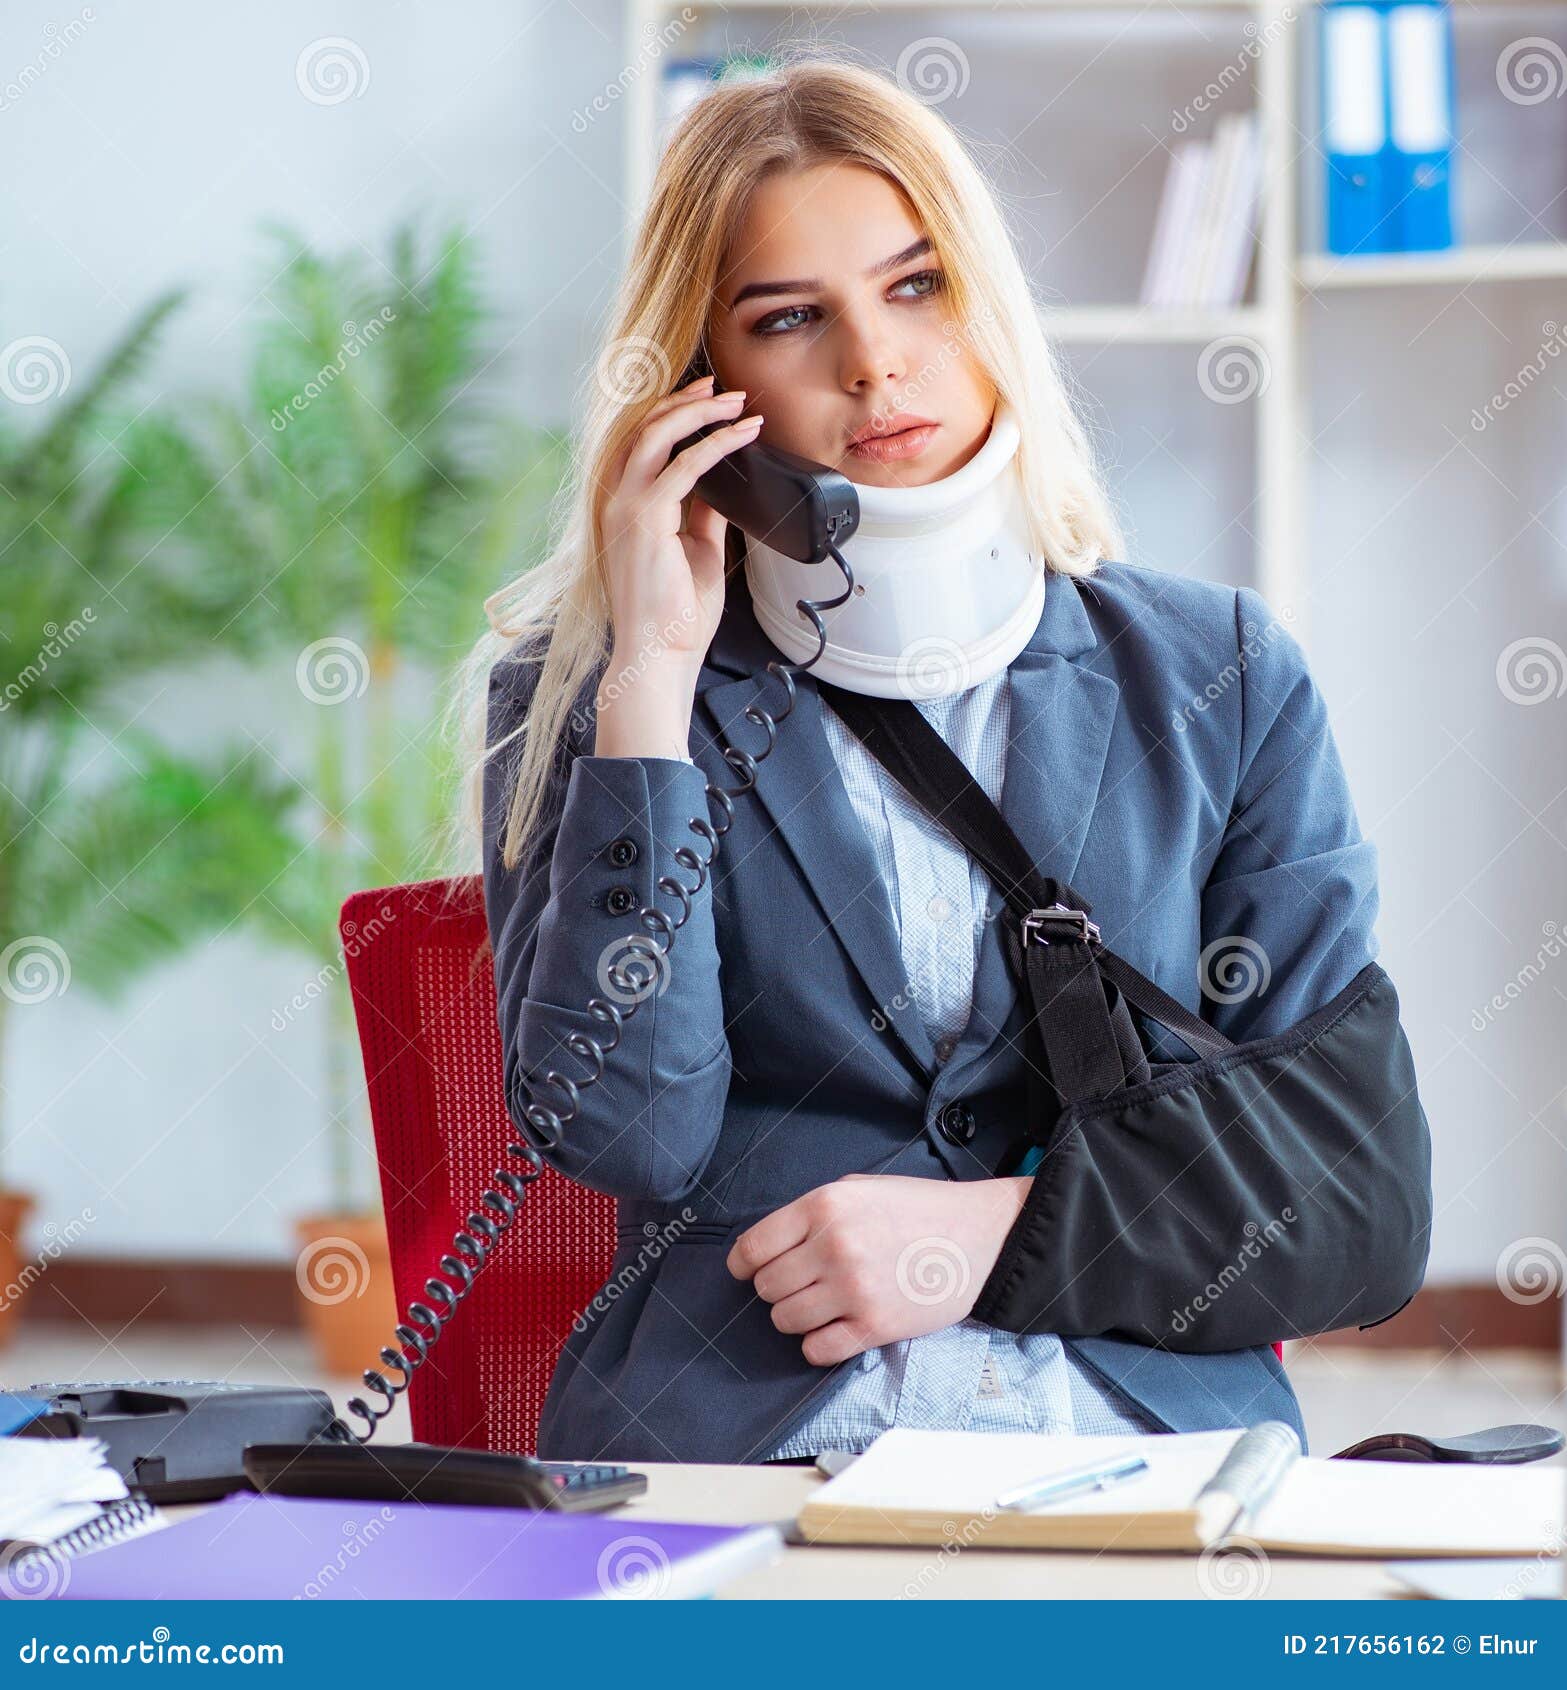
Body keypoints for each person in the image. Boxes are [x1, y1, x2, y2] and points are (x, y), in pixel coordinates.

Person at [452, 55, 1428, 1465]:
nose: (873, 361)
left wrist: (1003, 1235)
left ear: (988, 303)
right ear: (703, 392)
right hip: (752, 1445)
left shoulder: (1222, 675)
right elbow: (633, 1135)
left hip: (1142, 1441)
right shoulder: (593, 701)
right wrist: (653, 686)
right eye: (790, 320)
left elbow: (1354, 1196)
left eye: (917, 285)